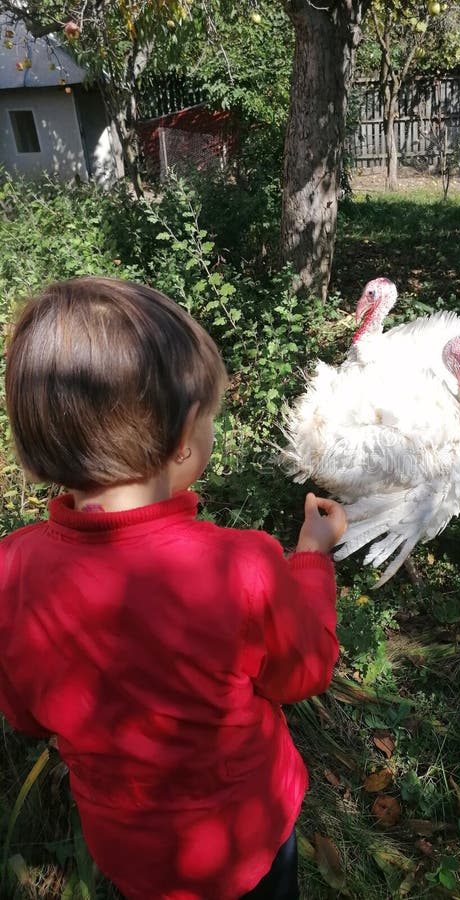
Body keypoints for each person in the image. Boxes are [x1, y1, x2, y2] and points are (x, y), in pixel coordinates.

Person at [0, 277, 347, 900]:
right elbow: (305, 670)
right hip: (248, 842)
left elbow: (24, 711)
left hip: (129, 850)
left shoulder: (11, 571)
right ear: (185, 436)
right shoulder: (243, 567)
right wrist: (312, 559)